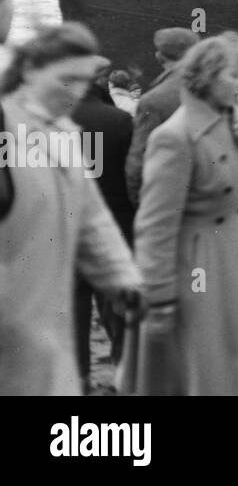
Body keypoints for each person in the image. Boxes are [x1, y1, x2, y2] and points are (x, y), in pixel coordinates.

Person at [133, 31, 238, 395]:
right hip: (196, 264)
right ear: (208, 76)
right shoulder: (176, 136)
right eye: (234, 75)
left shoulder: (228, 123)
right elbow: (155, 226)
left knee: (234, 361)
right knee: (203, 363)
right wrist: (161, 297)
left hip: (230, 254)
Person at [0, 22, 143, 396]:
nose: (76, 91)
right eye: (66, 79)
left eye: (83, 80)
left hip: (45, 325)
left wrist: (126, 284)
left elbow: (92, 222)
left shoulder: (63, 134)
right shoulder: (6, 127)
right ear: (31, 71)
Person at [72, 74, 137, 389]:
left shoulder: (45, 122)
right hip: (115, 225)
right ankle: (124, 369)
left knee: (74, 305)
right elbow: (134, 174)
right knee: (118, 304)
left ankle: (80, 375)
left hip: (67, 230)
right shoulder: (120, 120)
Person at [124, 26, 201, 207]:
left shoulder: (154, 100)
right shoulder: (221, 91)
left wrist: (142, 207)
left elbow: (139, 162)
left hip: (170, 203)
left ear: (160, 56)